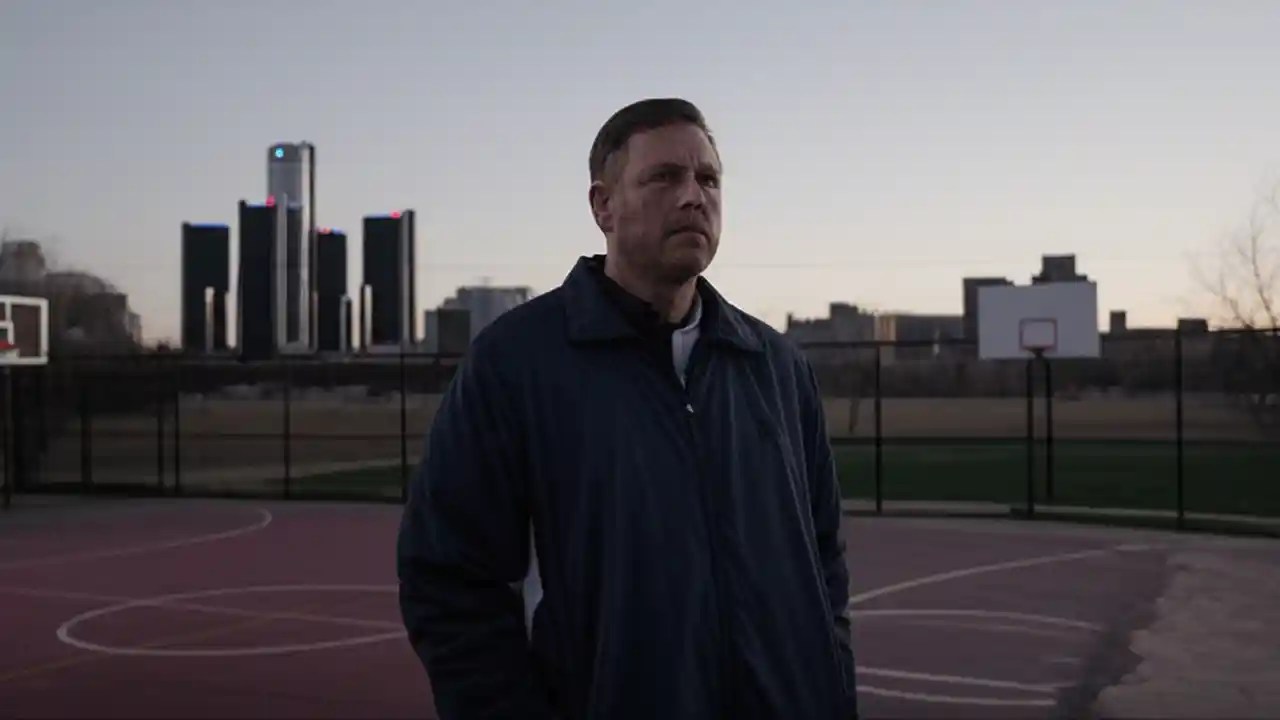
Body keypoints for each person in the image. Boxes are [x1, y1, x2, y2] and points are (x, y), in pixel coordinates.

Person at [398, 98, 858, 720]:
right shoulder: (516, 363)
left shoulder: (775, 367)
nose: (694, 196)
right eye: (664, 177)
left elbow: (822, 558)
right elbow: (448, 580)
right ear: (603, 206)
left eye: (709, 179)